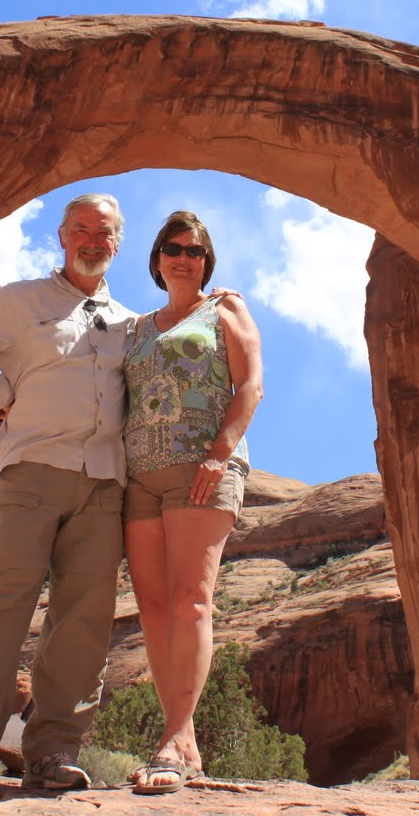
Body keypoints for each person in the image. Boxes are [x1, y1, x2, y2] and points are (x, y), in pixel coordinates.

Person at [0, 192, 135, 805]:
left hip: (102, 483)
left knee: (84, 621)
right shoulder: (19, 302)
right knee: (1, 607)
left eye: (105, 232)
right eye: (81, 230)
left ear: (117, 243)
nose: (93, 240)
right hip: (32, 472)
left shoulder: (126, 321)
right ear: (63, 237)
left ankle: (54, 752)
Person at [121, 210, 263, 795]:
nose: (184, 258)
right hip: (139, 476)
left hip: (201, 470)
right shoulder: (134, 328)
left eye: (196, 250)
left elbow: (250, 383)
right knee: (153, 608)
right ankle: (185, 743)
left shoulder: (224, 309)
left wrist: (218, 452)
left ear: (207, 261)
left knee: (191, 602)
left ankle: (175, 739)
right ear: (156, 260)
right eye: (174, 248)